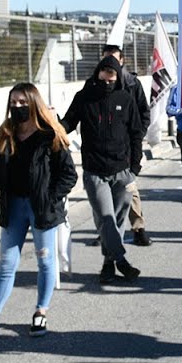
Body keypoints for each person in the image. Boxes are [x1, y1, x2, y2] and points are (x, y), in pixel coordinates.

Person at [0, 83, 76, 341]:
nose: (18, 107)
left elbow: (69, 175)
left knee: (45, 261)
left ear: (34, 103)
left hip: (42, 211)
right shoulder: (5, 135)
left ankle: (40, 311)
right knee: (6, 265)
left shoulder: (50, 135)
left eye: (23, 102)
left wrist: (50, 199)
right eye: (13, 103)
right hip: (14, 208)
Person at [61, 56, 144, 284]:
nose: (108, 77)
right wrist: (52, 123)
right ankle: (122, 261)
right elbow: (68, 123)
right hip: (95, 171)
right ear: (98, 72)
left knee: (118, 220)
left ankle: (108, 264)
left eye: (112, 74)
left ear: (117, 77)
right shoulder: (84, 98)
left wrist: (135, 166)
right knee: (105, 219)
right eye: (104, 72)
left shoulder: (125, 99)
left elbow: (136, 133)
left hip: (122, 171)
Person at [101, 44, 154, 247]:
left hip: (127, 146)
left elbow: (144, 112)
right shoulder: (95, 85)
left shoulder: (132, 83)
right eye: (106, 59)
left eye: (113, 59)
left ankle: (138, 228)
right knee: (105, 192)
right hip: (105, 148)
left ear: (121, 61)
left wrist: (137, 136)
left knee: (129, 187)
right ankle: (107, 230)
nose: (109, 63)